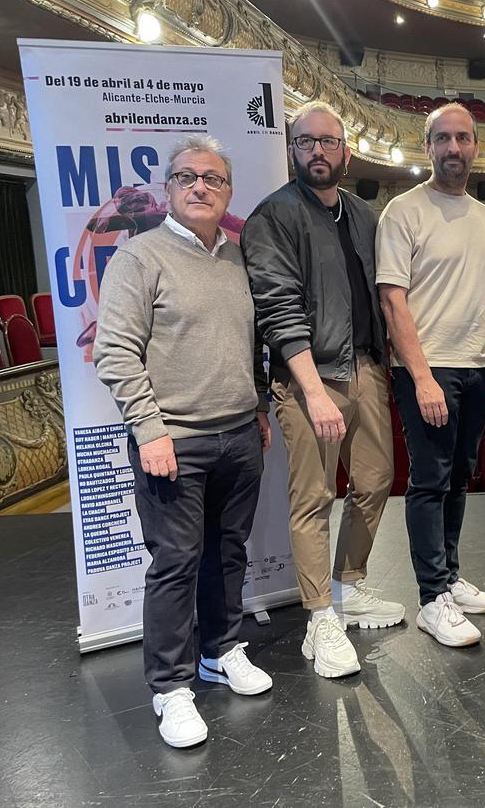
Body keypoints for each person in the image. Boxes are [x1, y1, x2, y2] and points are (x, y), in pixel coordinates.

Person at [94, 135, 273, 749]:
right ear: (168, 188)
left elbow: (251, 342)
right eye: (187, 177)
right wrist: (149, 430)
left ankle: (220, 651)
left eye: (214, 178)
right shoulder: (139, 258)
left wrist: (259, 404)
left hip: (240, 435)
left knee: (228, 551)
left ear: (227, 191)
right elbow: (115, 353)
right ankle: (169, 687)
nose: (201, 186)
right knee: (174, 564)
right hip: (173, 442)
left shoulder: (238, 258)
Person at [241, 101, 404, 680]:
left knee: (377, 480)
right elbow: (278, 310)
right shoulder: (273, 217)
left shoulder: (363, 215)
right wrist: (310, 391)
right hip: (309, 378)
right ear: (292, 150)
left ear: (345, 152)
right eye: (305, 142)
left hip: (364, 368)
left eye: (327, 142)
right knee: (313, 497)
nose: (317, 151)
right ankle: (318, 619)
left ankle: (347, 586)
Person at [376, 102, 485, 648]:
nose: (454, 149)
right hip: (427, 370)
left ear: (476, 146)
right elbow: (392, 299)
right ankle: (432, 598)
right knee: (429, 482)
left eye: (464, 139)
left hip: (478, 370)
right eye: (443, 139)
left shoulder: (484, 215)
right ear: (427, 146)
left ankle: (450, 579)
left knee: (459, 477)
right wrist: (422, 375)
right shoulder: (402, 212)